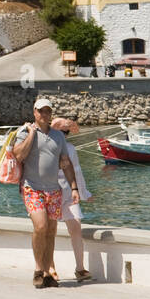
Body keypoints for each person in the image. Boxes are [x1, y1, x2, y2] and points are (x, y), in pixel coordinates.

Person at [10, 97, 79, 289]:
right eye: (41, 111)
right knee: (40, 226)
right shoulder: (24, 132)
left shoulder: (58, 136)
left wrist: (74, 188)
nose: (44, 114)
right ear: (34, 112)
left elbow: (65, 163)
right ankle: (38, 270)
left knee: (50, 231)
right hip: (31, 187)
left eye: (48, 111)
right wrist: (32, 134)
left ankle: (48, 273)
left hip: (53, 190)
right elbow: (18, 154)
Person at [47, 118, 93, 284]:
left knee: (76, 228)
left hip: (68, 193)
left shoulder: (71, 149)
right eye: (61, 132)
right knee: (49, 231)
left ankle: (80, 268)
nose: (63, 136)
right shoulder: (46, 148)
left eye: (65, 133)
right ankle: (50, 268)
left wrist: (83, 193)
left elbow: (77, 173)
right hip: (50, 193)